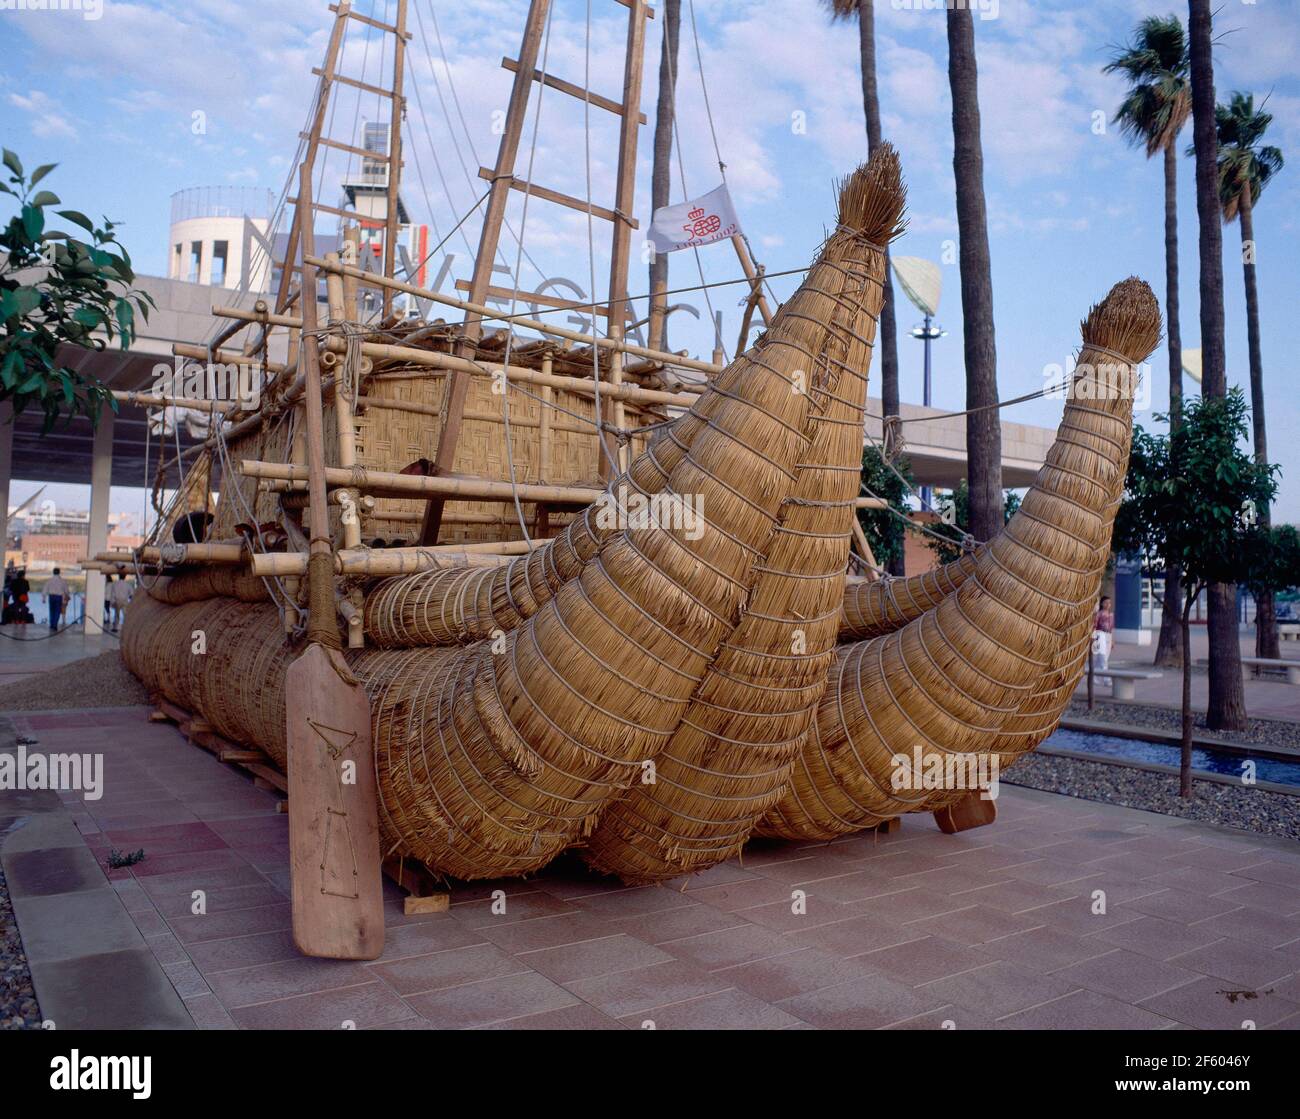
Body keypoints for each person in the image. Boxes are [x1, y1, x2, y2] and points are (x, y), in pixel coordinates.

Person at [1092, 594, 1115, 673]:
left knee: (1105, 657)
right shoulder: (1099, 614)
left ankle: (1096, 677)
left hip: (1108, 636)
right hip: (1100, 635)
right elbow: (1094, 626)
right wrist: (1094, 638)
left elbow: (1111, 628)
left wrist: (1112, 641)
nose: (1108, 605)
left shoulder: (1111, 615)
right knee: (1102, 657)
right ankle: (1106, 678)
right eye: (1106, 602)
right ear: (1102, 603)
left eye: (1109, 603)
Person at [45, 567, 69, 631]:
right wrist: (67, 595)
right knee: (57, 611)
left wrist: (43, 598)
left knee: (51, 611)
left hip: (51, 596)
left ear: (53, 572)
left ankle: (52, 624)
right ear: (59, 572)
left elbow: (45, 589)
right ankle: (55, 625)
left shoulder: (49, 580)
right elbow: (66, 590)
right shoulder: (63, 581)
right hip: (59, 597)